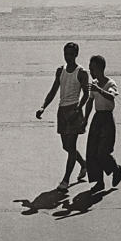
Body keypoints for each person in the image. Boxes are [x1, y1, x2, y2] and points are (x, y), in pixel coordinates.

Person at [36, 42, 90, 191]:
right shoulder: (60, 71)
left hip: (74, 110)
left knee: (71, 147)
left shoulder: (82, 72)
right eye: (66, 54)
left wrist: (78, 110)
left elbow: (86, 94)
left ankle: (65, 180)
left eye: (71, 54)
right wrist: (43, 107)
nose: (68, 57)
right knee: (66, 146)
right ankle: (84, 164)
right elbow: (53, 90)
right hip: (62, 111)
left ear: (76, 55)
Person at [83, 54, 121, 192]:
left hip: (106, 119)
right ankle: (99, 182)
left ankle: (115, 169)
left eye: (93, 69)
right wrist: (85, 119)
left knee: (102, 152)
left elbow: (111, 96)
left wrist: (99, 90)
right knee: (92, 152)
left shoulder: (110, 83)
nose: (91, 72)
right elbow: (90, 102)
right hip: (97, 117)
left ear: (100, 69)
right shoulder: (94, 84)